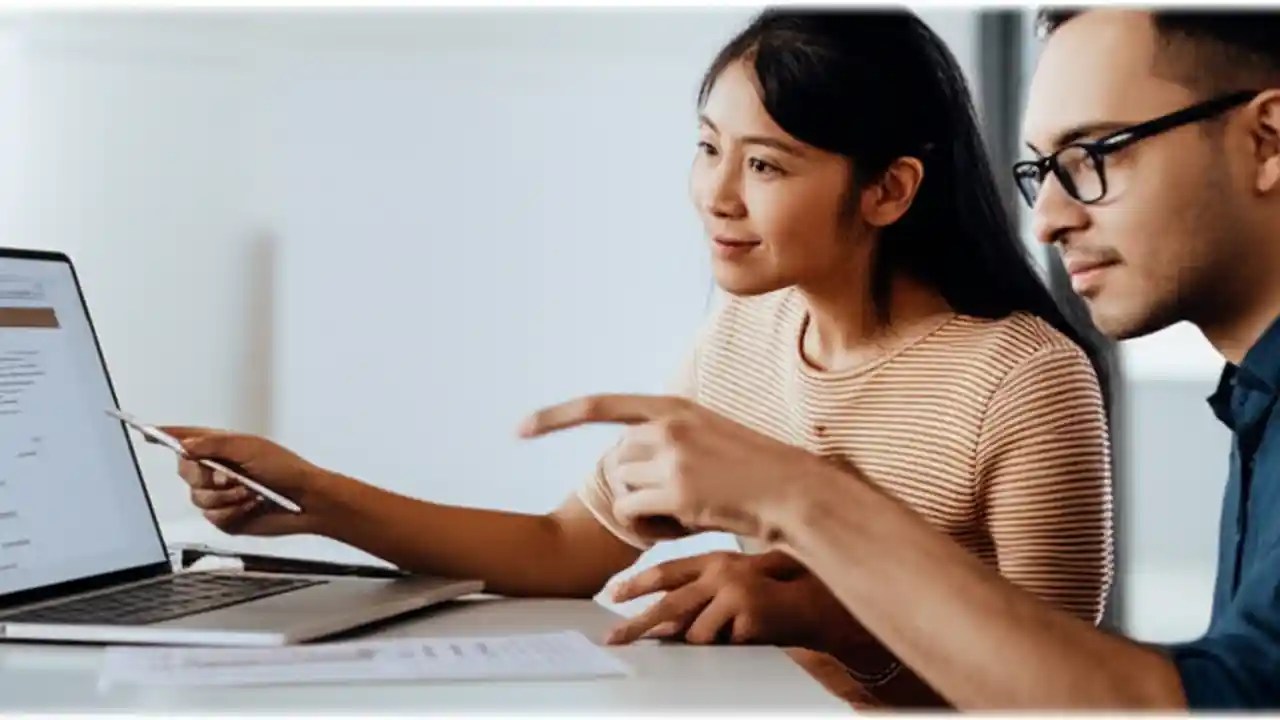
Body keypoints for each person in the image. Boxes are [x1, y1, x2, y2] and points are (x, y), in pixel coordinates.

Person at [168, 9, 1113, 707]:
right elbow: (562, 549)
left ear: (889, 190)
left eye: (766, 165)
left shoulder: (1023, 379)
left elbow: (1061, 692)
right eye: (708, 149)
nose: (717, 195)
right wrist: (311, 498)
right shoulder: (742, 340)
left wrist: (830, 620)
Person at [519, 7, 1280, 710]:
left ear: (1268, 138)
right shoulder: (1256, 398)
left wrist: (801, 506)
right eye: (1041, 170)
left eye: (1093, 154)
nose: (1046, 221)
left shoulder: (1023, 373)